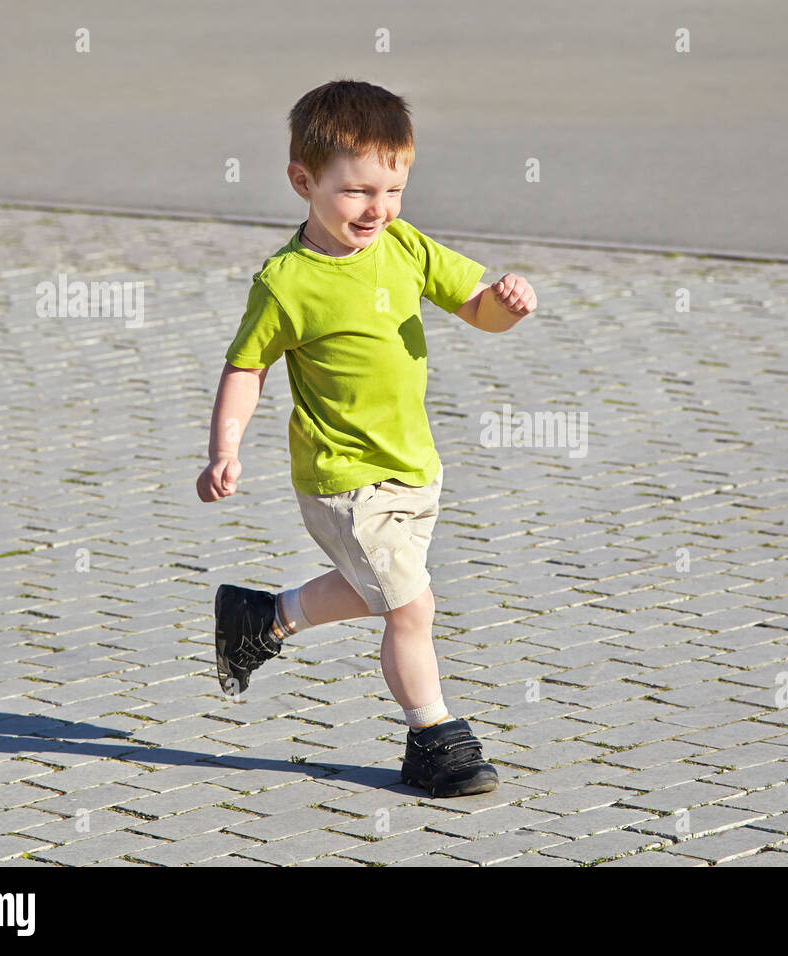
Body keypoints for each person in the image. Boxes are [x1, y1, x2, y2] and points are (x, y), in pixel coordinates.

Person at [195, 79, 537, 798]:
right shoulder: (287, 283)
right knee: (410, 607)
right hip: (342, 478)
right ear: (303, 182)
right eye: (356, 192)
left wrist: (505, 307)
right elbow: (246, 366)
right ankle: (435, 741)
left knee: (379, 588)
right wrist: (224, 448)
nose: (377, 209)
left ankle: (263, 618)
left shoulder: (403, 244)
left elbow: (474, 307)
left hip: (415, 468)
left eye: (393, 189)